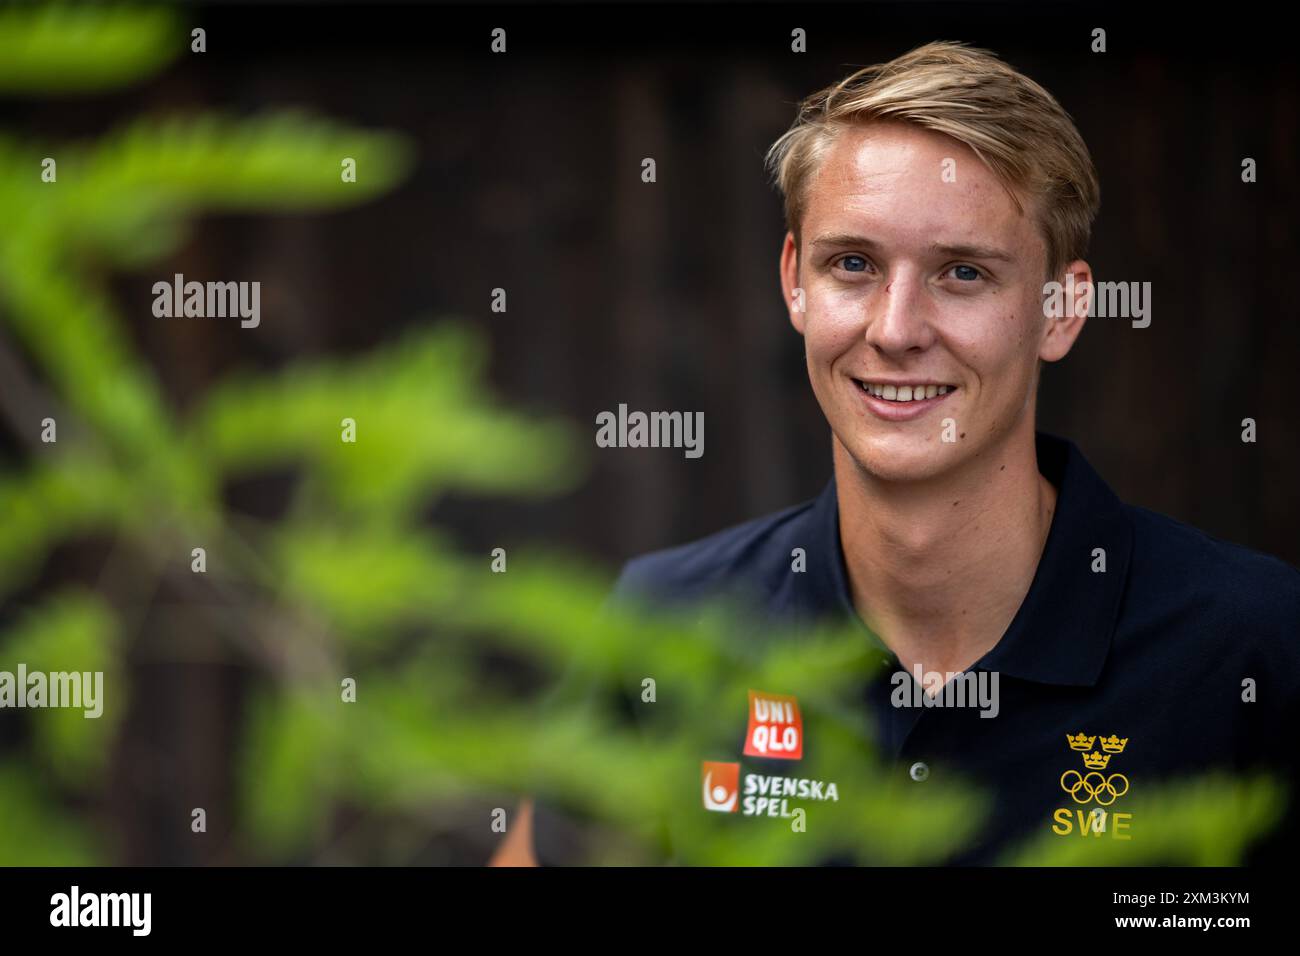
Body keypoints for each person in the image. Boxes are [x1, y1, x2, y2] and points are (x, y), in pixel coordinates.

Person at [491, 40, 1300, 867]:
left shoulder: (1255, 647)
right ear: (795, 283)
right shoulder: (668, 624)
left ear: (1061, 308)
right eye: (853, 264)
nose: (895, 329)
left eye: (962, 273)